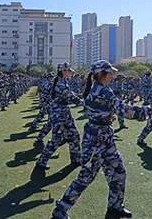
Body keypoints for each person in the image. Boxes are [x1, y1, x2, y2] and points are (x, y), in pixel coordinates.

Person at [51, 60, 144, 219]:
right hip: (96, 140)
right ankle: (60, 209)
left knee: (118, 172)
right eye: (110, 73)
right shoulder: (103, 91)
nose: (113, 75)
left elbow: (96, 111)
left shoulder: (96, 89)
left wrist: (107, 118)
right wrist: (147, 111)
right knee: (85, 177)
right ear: (102, 74)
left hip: (104, 137)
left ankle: (115, 205)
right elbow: (126, 111)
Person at [35, 62, 83, 170]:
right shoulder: (60, 83)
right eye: (69, 71)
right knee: (56, 139)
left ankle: (76, 159)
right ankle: (42, 161)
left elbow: (70, 95)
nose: (71, 73)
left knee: (74, 135)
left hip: (64, 112)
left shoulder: (62, 82)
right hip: (59, 113)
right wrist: (86, 103)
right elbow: (72, 97)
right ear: (63, 71)